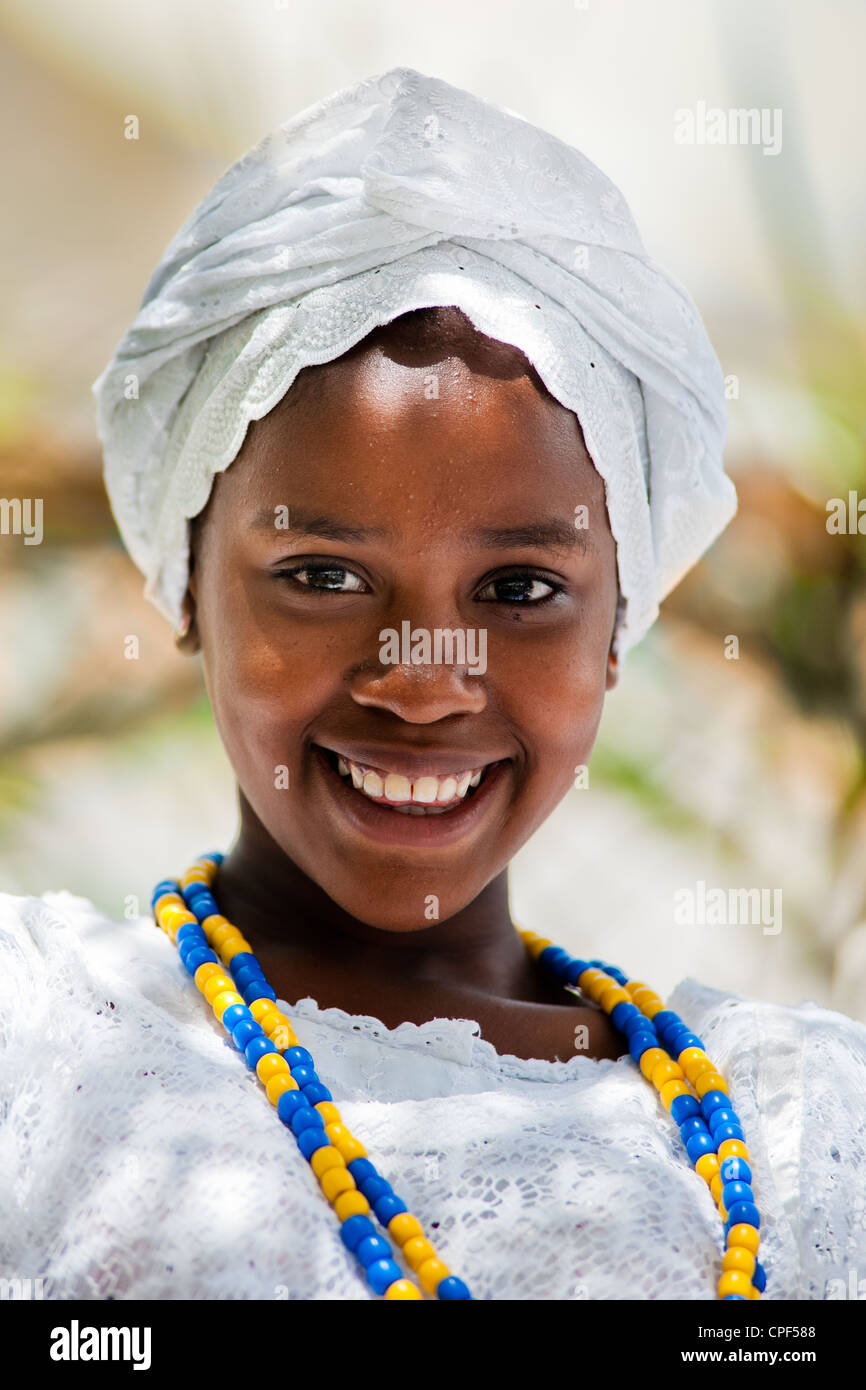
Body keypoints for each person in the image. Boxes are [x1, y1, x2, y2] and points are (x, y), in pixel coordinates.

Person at [1, 67, 864, 1303]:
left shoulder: (802, 1140)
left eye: (516, 590)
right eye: (320, 572)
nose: (419, 682)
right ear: (185, 585)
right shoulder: (40, 1047)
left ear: (620, 620)